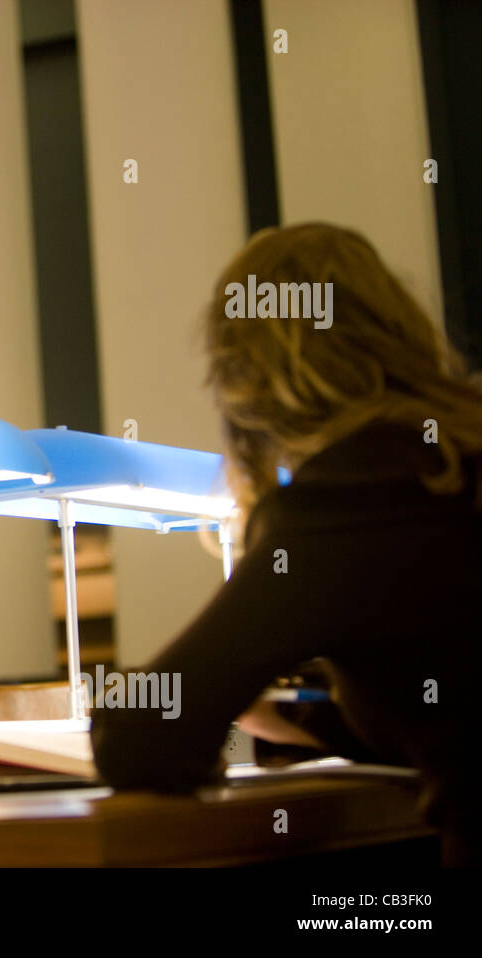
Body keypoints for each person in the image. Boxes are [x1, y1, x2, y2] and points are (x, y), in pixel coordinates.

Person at [88, 222, 482, 866]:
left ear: (246, 377)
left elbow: (143, 737)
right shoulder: (453, 459)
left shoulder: (351, 491)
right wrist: (299, 724)